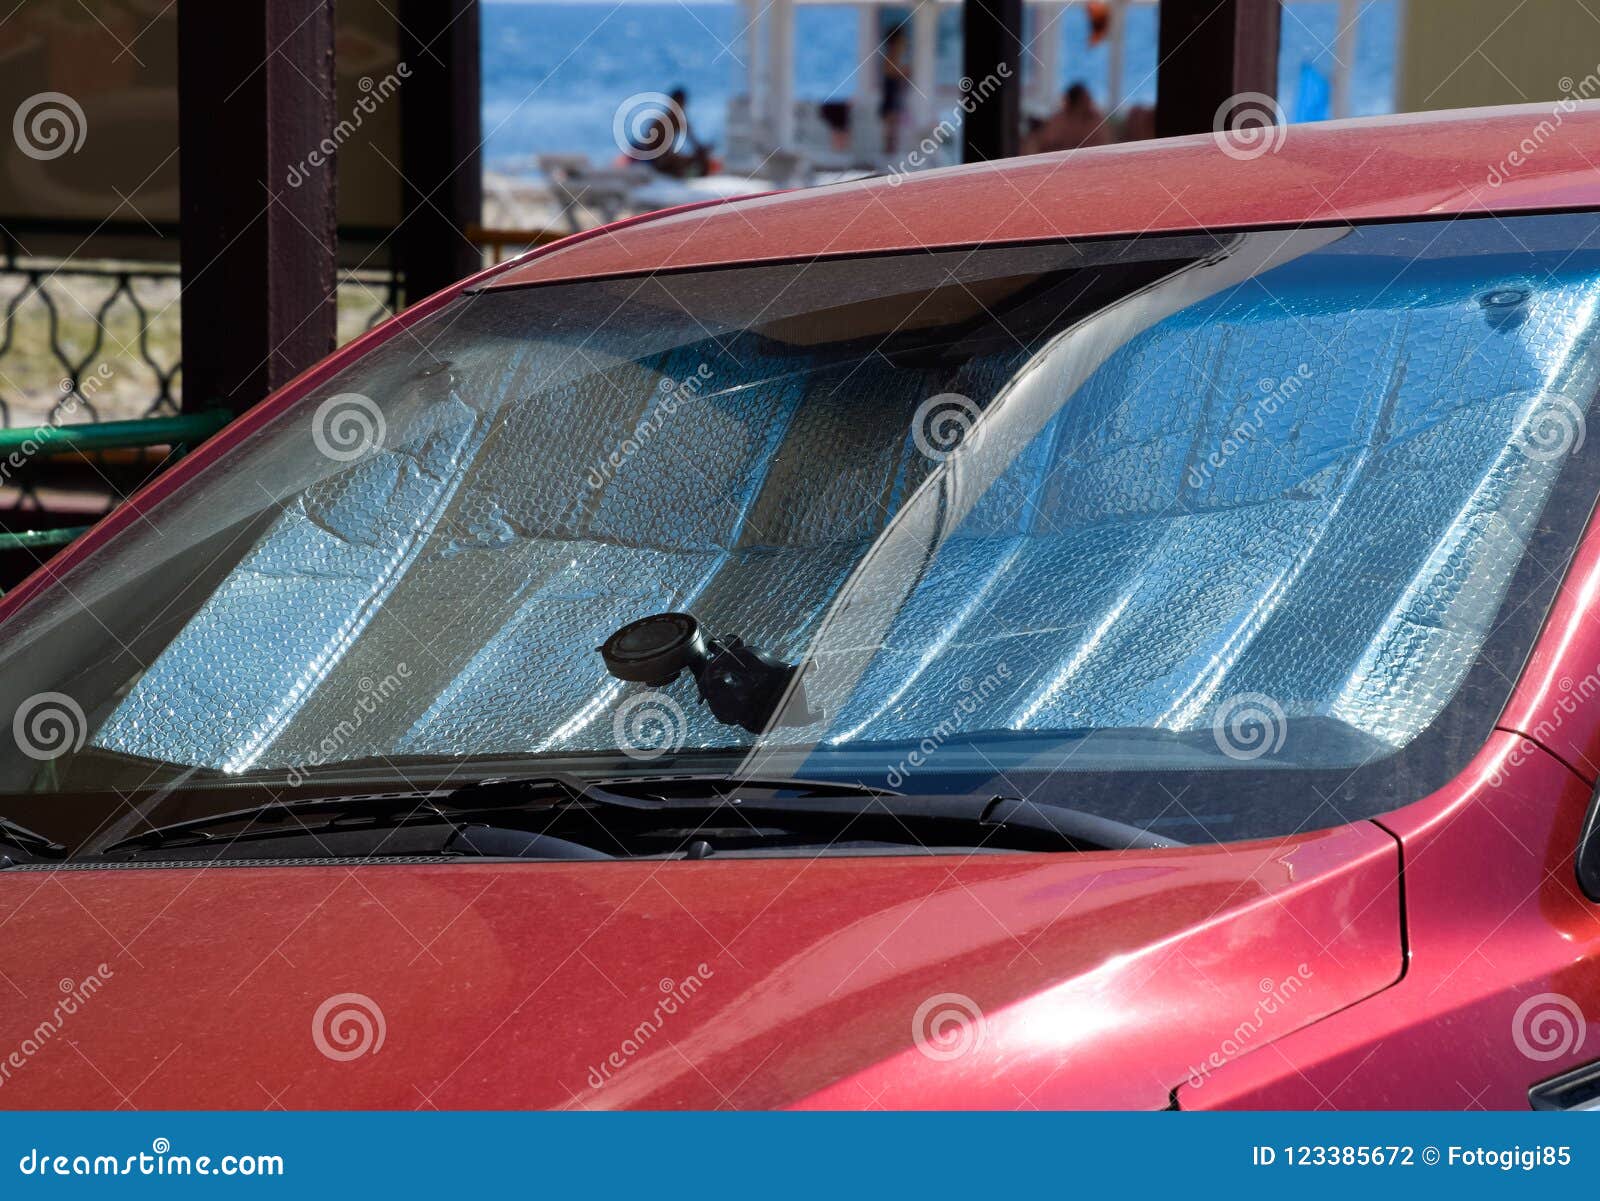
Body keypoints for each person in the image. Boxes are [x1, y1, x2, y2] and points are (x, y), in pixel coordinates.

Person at [632, 87, 713, 178]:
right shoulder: (661, 122)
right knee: (691, 162)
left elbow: (694, 143)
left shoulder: (679, 120)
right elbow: (654, 151)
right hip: (657, 161)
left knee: (699, 158)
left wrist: (703, 150)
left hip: (663, 158)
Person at [1022, 82, 1113, 154]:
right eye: (1085, 100)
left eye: (1089, 100)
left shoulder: (1095, 119)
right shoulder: (1059, 120)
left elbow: (1102, 145)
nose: (1090, 104)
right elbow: (1046, 143)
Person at [880, 23, 910, 154]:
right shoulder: (890, 57)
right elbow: (890, 71)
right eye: (901, 40)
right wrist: (905, 71)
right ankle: (889, 152)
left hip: (895, 96)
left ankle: (892, 151)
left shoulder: (897, 57)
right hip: (890, 96)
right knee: (891, 129)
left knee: (895, 129)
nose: (904, 43)